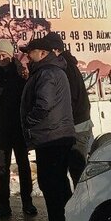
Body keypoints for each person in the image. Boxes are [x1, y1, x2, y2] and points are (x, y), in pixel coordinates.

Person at [20, 37, 77, 221]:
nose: (27, 55)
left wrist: (29, 121)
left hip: (51, 136)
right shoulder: (49, 70)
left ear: (42, 53)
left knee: (52, 184)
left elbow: (44, 104)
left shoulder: (47, 73)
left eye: (31, 51)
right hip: (53, 135)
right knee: (57, 184)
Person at [0, 40, 37, 218]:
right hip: (0, 126)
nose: (1, 58)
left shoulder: (20, 72)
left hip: (18, 126)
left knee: (23, 164)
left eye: (4, 55)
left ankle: (27, 201)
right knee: (2, 167)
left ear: (11, 56)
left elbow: (28, 96)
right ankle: (3, 203)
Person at [43, 32, 94, 188]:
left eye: (47, 51)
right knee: (75, 169)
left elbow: (68, 99)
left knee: (77, 170)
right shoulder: (66, 65)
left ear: (55, 50)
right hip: (76, 124)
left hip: (76, 126)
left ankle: (84, 207)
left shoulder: (64, 68)